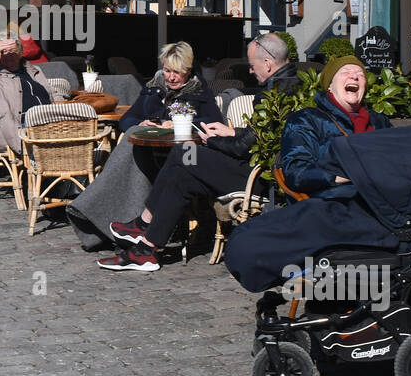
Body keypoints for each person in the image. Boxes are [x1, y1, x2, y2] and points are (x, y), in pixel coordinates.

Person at [97, 35, 299, 271]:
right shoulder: (290, 85)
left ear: (267, 63)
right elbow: (260, 137)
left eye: (253, 66)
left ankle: (144, 223)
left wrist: (211, 140)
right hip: (260, 171)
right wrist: (232, 131)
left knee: (184, 151)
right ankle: (147, 250)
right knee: (182, 176)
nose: (251, 72)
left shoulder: (275, 93)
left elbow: (244, 149)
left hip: (260, 177)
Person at [280, 55, 392, 197]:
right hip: (337, 202)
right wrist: (344, 175)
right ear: (330, 86)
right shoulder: (306, 119)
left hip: (386, 198)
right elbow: (296, 173)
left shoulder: (380, 122)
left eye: (360, 74)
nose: (354, 77)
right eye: (345, 71)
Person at [119, 41, 225, 131]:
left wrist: (181, 125)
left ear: (188, 70)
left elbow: (216, 121)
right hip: (149, 145)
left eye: (177, 72)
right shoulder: (153, 89)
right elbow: (125, 120)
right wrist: (141, 124)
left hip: (183, 148)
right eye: (167, 71)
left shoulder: (199, 91)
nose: (171, 77)